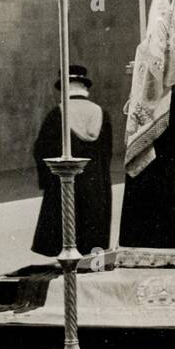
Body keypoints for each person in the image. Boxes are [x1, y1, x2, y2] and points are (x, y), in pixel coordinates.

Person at [32, 64, 114, 258]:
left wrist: (46, 182)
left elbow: (40, 150)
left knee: (67, 231)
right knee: (93, 234)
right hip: (96, 185)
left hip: (65, 185)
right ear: (85, 88)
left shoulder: (57, 114)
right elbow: (107, 153)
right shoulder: (102, 113)